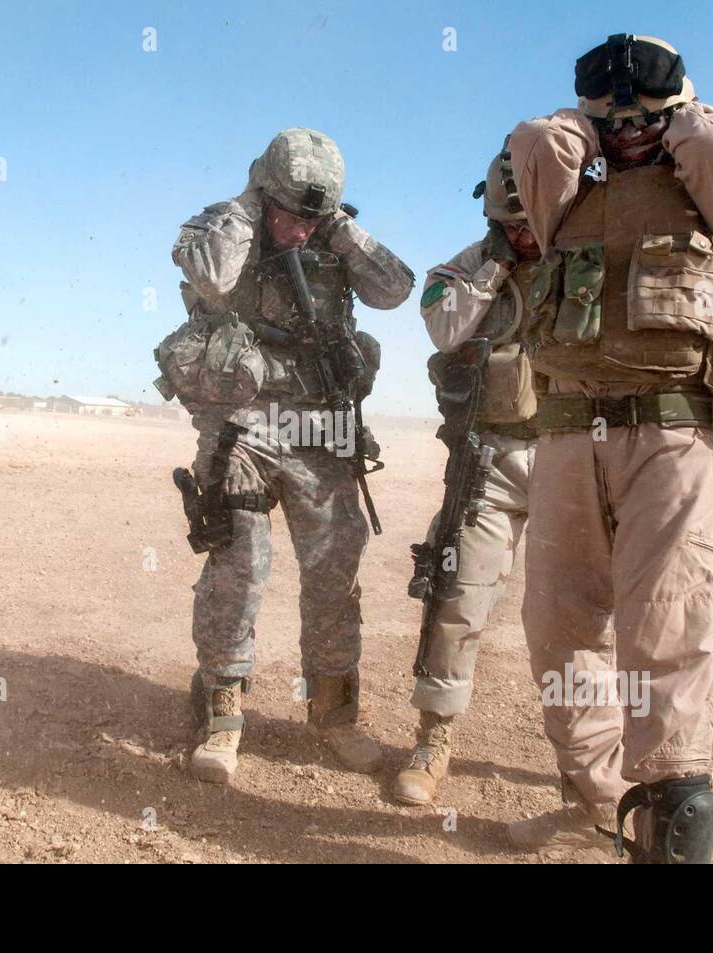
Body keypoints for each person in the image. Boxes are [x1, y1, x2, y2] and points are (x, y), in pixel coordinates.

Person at [503, 35, 713, 862]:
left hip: (669, 435)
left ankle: (673, 827)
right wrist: (591, 119)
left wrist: (676, 112)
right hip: (566, 436)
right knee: (560, 628)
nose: (625, 132)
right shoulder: (559, 191)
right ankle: (597, 799)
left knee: (670, 631)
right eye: (608, 119)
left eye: (641, 116)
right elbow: (538, 147)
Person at [162, 127, 415, 784]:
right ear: (262, 188)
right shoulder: (223, 226)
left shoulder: (332, 237)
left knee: (334, 574)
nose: (300, 230)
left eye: (313, 216)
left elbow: (395, 289)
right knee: (240, 567)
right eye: (290, 213)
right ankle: (222, 715)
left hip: (322, 429)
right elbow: (211, 277)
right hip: (242, 426)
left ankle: (333, 715)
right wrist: (251, 207)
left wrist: (338, 229)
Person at [393, 149, 544, 806]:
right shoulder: (467, 267)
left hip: (577, 460)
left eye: (535, 221)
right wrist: (497, 267)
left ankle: (598, 769)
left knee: (590, 617)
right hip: (493, 463)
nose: (526, 235)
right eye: (512, 224)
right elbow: (443, 325)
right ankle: (434, 741)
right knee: (459, 600)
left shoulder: (589, 260)